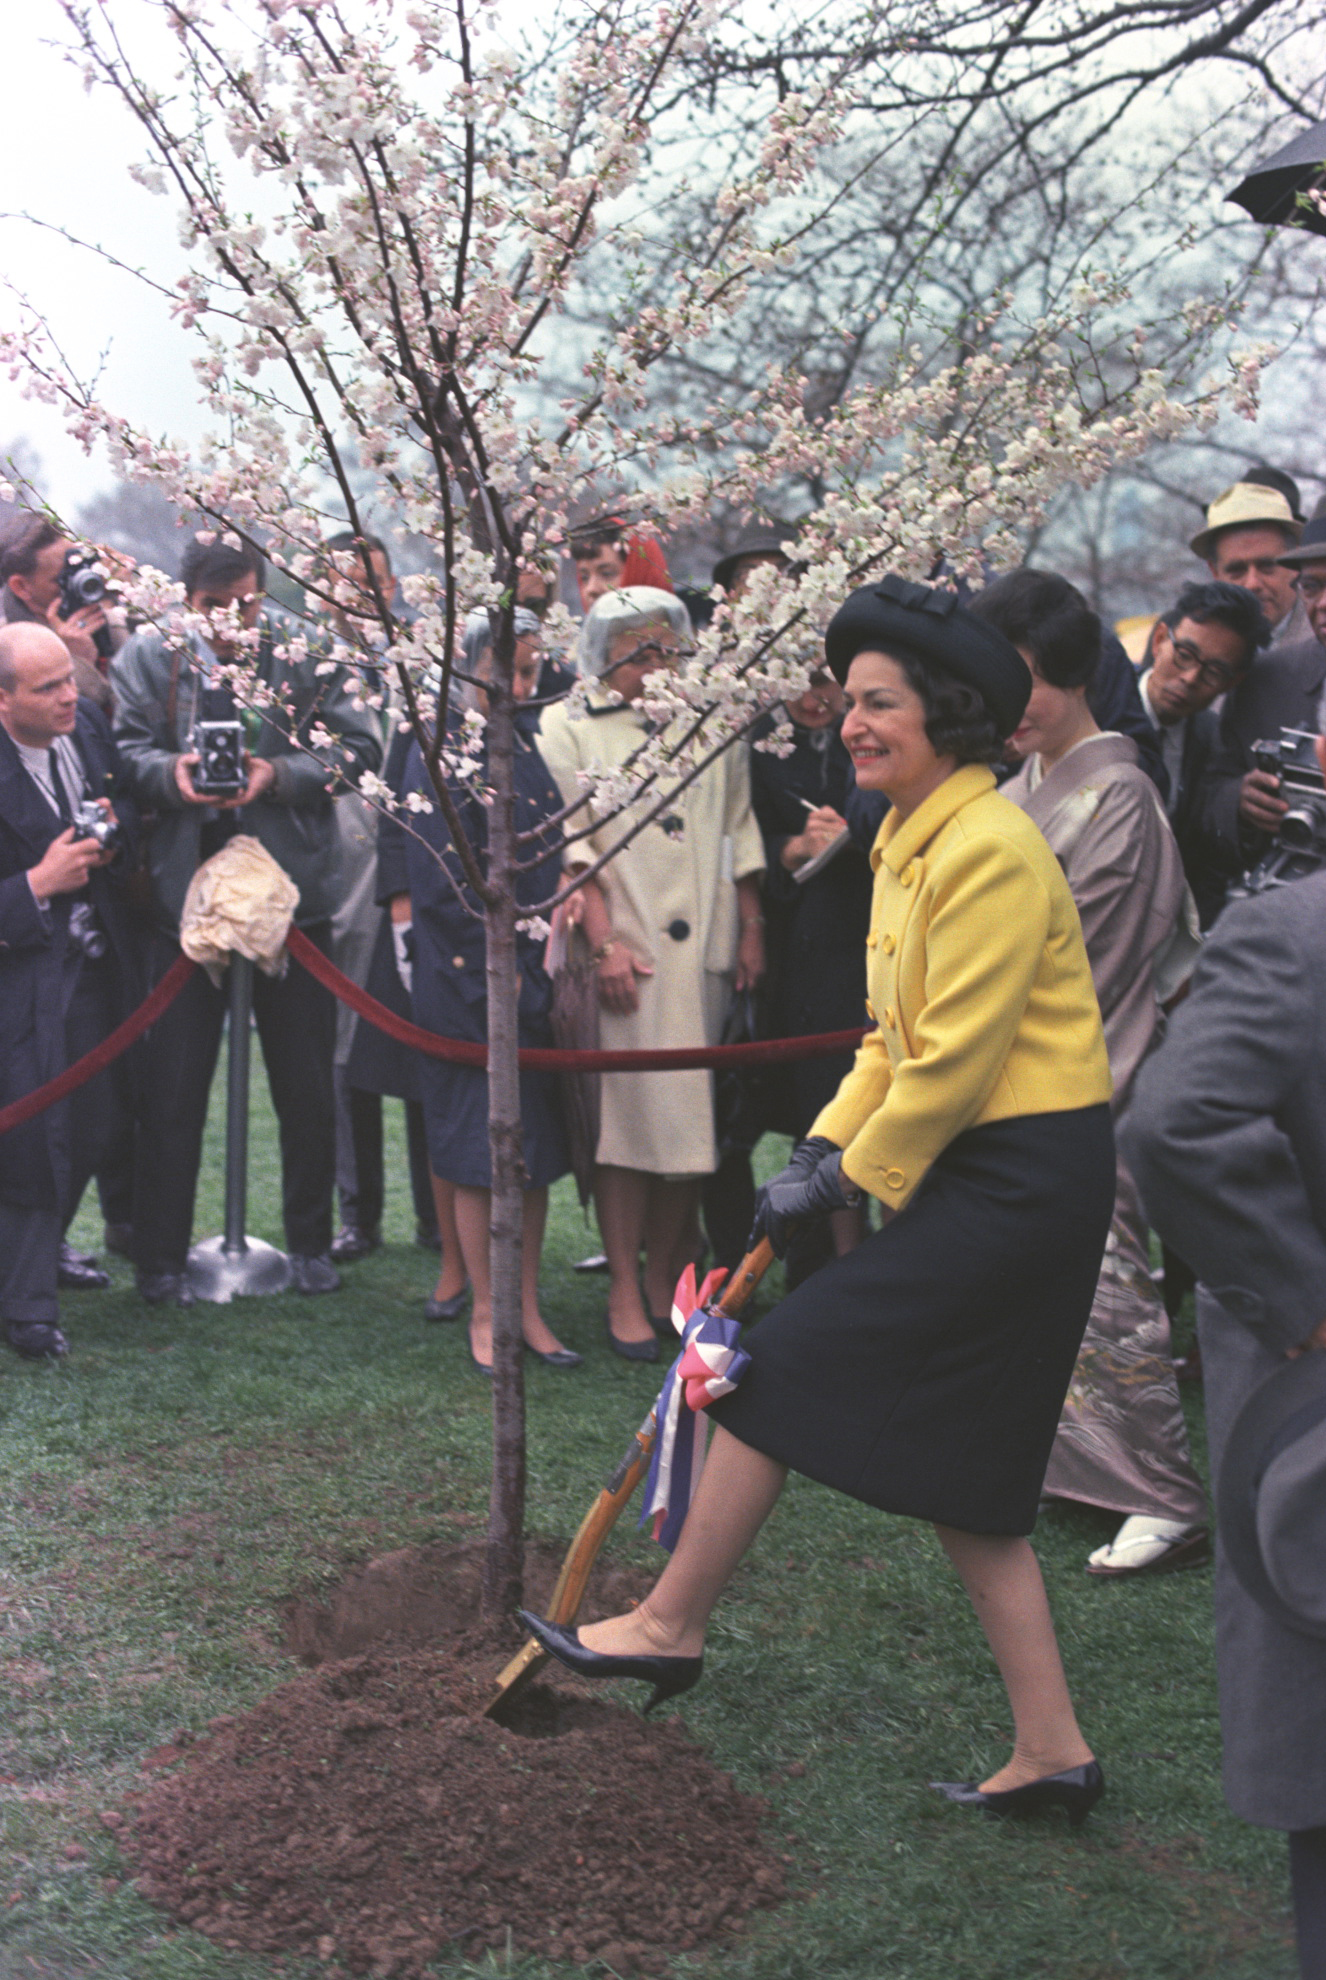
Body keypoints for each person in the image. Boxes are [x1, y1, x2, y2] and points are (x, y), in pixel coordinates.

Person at [524, 575, 1117, 1823]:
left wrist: (850, 1172)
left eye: (881, 703)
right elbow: (887, 1046)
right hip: (976, 1164)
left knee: (780, 1368)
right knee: (977, 1478)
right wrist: (821, 1152)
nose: (852, 722)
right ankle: (1054, 1751)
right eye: (848, 701)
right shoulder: (909, 836)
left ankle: (670, 1623)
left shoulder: (991, 848)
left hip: (1022, 1181)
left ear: (948, 718)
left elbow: (952, 1060)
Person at [1123, 824, 1326, 1980]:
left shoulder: (1293, 932)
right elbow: (1179, 1126)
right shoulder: (1294, 933)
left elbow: (1172, 1122)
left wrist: (1303, 1306)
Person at [978, 568, 1208, 1577]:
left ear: (1069, 674)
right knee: (1038, 1282)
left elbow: (1093, 964)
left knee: (1108, 1277)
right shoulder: (1024, 781)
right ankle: (1076, 1469)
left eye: (1014, 680)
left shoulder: (1121, 794)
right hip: (1018, 1066)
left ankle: (1162, 1490)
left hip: (1088, 1068)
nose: (997, 705)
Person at [112, 533, 383, 1304]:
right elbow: (124, 749)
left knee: (303, 1081)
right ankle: (161, 1258)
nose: (233, 623)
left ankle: (307, 1246)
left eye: (248, 605)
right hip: (181, 900)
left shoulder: (311, 651)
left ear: (266, 591)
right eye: (214, 608)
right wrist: (175, 777)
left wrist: (278, 774)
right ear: (184, 600)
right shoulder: (147, 655)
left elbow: (360, 749)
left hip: (293, 897)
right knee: (172, 1085)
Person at [538, 586, 766, 1360]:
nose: (652, 663)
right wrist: (601, 945)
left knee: (689, 1133)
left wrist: (751, 927)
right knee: (629, 1135)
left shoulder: (715, 722)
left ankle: (671, 1268)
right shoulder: (566, 726)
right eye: (634, 649)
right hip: (626, 956)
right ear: (602, 657)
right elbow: (570, 842)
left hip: (702, 949)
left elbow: (738, 829)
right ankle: (624, 1286)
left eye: (665, 646)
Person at [382, 610, 577, 1373]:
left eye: (530, 672)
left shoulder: (521, 741)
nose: (520, 688)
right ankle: (487, 1314)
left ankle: (524, 1307)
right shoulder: (440, 746)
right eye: (509, 671)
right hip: (466, 985)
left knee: (533, 1149)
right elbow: (439, 885)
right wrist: (496, 970)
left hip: (531, 979)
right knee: (475, 1154)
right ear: (468, 667)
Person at [0, 624, 137, 1359]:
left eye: (69, 678)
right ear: (1, 700)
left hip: (92, 968)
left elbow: (118, 812)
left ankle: (38, 1257)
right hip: (16, 983)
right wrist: (34, 887)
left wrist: (110, 834)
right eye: (48, 686)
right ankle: (26, 1310)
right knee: (27, 1137)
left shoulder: (80, 732)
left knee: (94, 1124)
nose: (69, 696)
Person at [317, 531, 440, 1265]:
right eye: (340, 585)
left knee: (426, 1048)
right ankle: (358, 1212)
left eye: (367, 584)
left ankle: (436, 1211)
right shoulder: (306, 668)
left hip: (416, 879)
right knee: (342, 1056)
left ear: (391, 589)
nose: (355, 599)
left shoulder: (421, 671)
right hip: (338, 880)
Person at [750, 662, 871, 1286]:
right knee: (819, 1110)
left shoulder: (874, 728)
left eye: (830, 683)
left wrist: (860, 830)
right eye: (800, 679)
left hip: (869, 935)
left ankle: (863, 1260)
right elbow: (740, 837)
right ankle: (821, 1259)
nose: (815, 698)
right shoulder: (760, 740)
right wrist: (789, 849)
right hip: (796, 948)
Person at [1191, 479, 1323, 882]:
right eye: (1313, 586)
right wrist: (1240, 803)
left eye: (1268, 565)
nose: (1324, 602)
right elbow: (1205, 800)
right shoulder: (1262, 681)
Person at [1135, 580, 1270, 927]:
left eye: (1214, 672)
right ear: (1160, 640)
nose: (1190, 678)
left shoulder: (1215, 743)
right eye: (1184, 655)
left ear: (1232, 682)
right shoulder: (1099, 705)